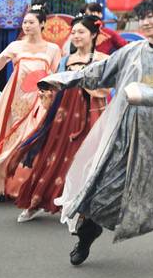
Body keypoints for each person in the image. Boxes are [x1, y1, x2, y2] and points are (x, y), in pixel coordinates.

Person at [39, 0, 153, 273]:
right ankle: (86, 236)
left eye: (151, 15)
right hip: (126, 134)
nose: (145, 22)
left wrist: (143, 93)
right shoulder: (133, 52)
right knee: (106, 191)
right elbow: (99, 72)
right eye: (141, 17)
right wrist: (63, 80)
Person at [9, 15, 110, 221]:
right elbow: (56, 86)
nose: (76, 36)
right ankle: (36, 201)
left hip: (91, 114)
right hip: (63, 114)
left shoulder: (102, 60)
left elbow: (107, 87)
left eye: (81, 32)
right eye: (73, 33)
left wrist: (83, 82)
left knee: (87, 159)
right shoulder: (66, 59)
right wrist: (47, 91)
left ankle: (83, 207)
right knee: (51, 156)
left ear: (92, 34)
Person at [0, 5, 62, 194]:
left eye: (31, 22)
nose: (27, 26)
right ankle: (2, 187)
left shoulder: (53, 49)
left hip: (40, 100)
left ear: (43, 24)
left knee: (33, 139)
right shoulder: (15, 46)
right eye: (25, 22)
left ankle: (28, 186)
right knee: (9, 140)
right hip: (15, 100)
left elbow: (55, 76)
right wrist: (4, 57)